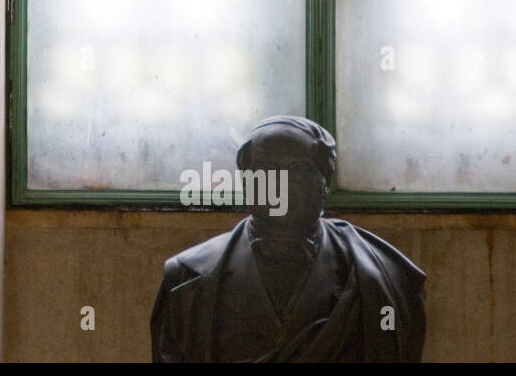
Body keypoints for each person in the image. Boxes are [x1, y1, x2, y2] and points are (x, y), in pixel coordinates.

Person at [150, 115, 426, 362]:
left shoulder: (388, 278)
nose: (280, 183)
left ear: (324, 181)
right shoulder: (187, 281)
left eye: (298, 170)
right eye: (266, 169)